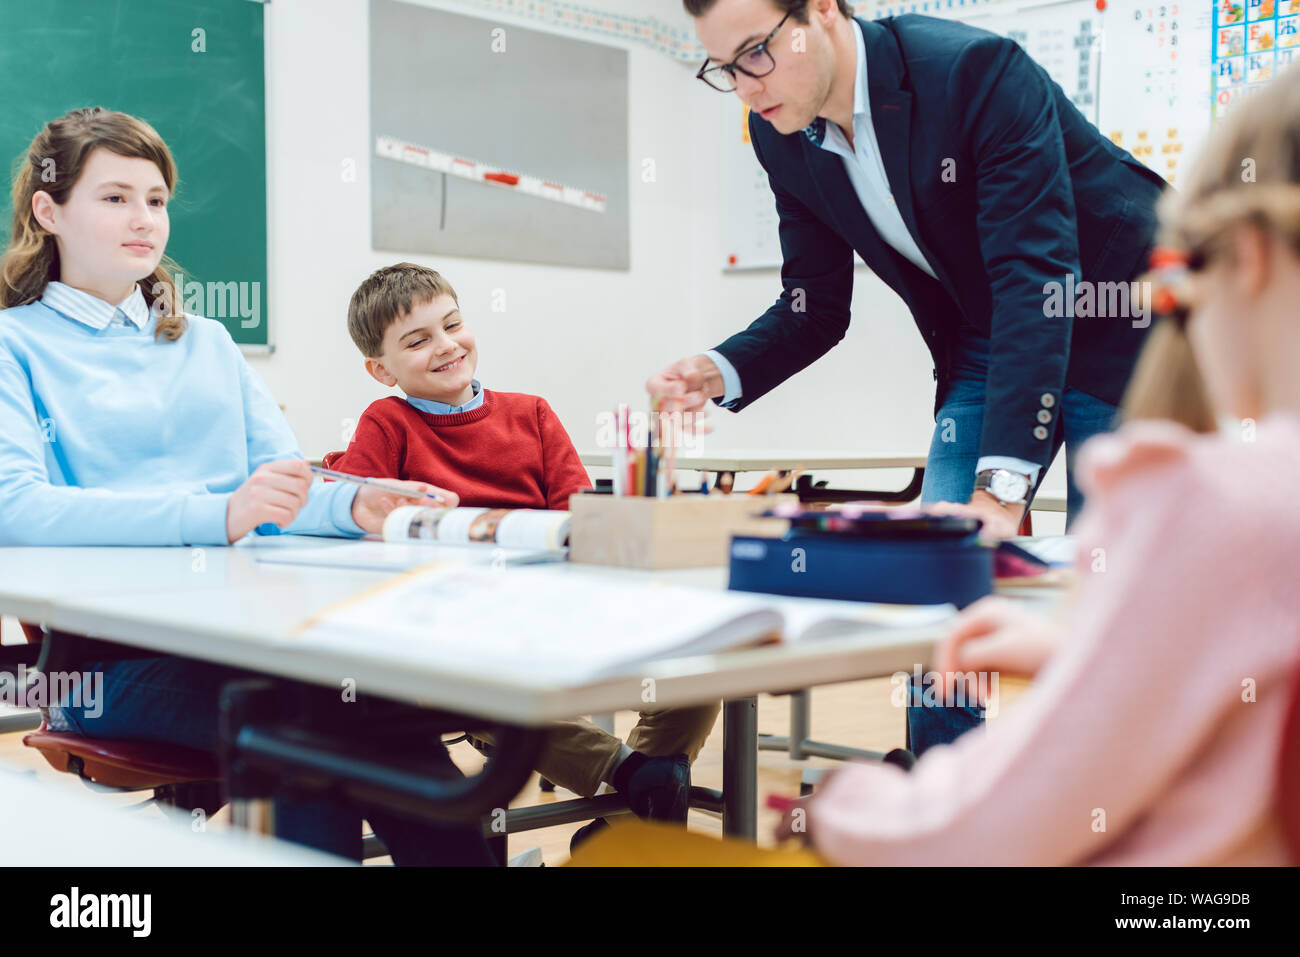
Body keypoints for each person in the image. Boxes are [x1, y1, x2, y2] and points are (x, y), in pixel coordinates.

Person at [775, 66, 1300, 864]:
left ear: (1249, 257)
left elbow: (982, 836)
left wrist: (832, 809)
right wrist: (1091, 658)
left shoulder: (1220, 496)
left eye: (1175, 278)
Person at [650, 0, 1169, 753]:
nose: (744, 87)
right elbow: (814, 306)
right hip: (994, 336)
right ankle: (938, 781)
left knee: (1100, 582)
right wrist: (720, 367)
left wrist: (1002, 493)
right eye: (723, 67)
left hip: (1121, 322)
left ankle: (1109, 805)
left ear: (820, 10)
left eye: (756, 52)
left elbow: (1037, 276)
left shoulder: (973, 73)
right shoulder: (780, 132)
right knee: (939, 571)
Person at [0, 107, 487, 864]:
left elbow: (281, 486)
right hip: (103, 666)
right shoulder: (14, 343)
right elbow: (18, 509)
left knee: (374, 699)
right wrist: (216, 514)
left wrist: (354, 501)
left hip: (254, 633)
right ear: (48, 209)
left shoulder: (207, 341)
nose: (144, 219)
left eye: (157, 200)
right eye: (116, 197)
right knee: (308, 721)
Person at [330, 262, 722, 850]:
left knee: (701, 655)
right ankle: (635, 783)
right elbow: (355, 508)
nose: (446, 346)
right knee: (475, 688)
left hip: (553, 604)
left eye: (452, 324)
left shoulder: (531, 413)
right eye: (418, 341)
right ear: (381, 369)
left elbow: (578, 517)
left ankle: (637, 798)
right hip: (452, 626)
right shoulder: (387, 423)